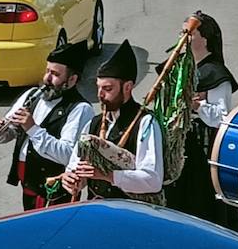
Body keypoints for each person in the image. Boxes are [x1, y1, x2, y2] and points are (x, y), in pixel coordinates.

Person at [0, 41, 92, 211]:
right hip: (28, 185)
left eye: (55, 74)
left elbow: (68, 155)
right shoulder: (32, 95)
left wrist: (32, 129)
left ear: (72, 80)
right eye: (47, 71)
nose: (47, 79)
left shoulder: (80, 109)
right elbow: (10, 132)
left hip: (55, 192)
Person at [60, 40, 166, 205]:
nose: (100, 95)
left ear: (128, 87)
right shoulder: (94, 123)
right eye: (98, 87)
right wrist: (71, 179)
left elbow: (152, 180)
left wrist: (107, 175)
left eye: (108, 89)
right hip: (96, 209)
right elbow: (75, 165)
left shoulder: (145, 123)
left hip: (131, 211)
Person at [165, 11, 238, 233]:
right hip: (178, 144)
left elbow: (222, 117)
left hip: (202, 148)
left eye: (189, 33)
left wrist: (197, 106)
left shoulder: (216, 74)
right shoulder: (179, 67)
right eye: (182, 32)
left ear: (205, 39)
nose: (183, 38)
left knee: (201, 203)